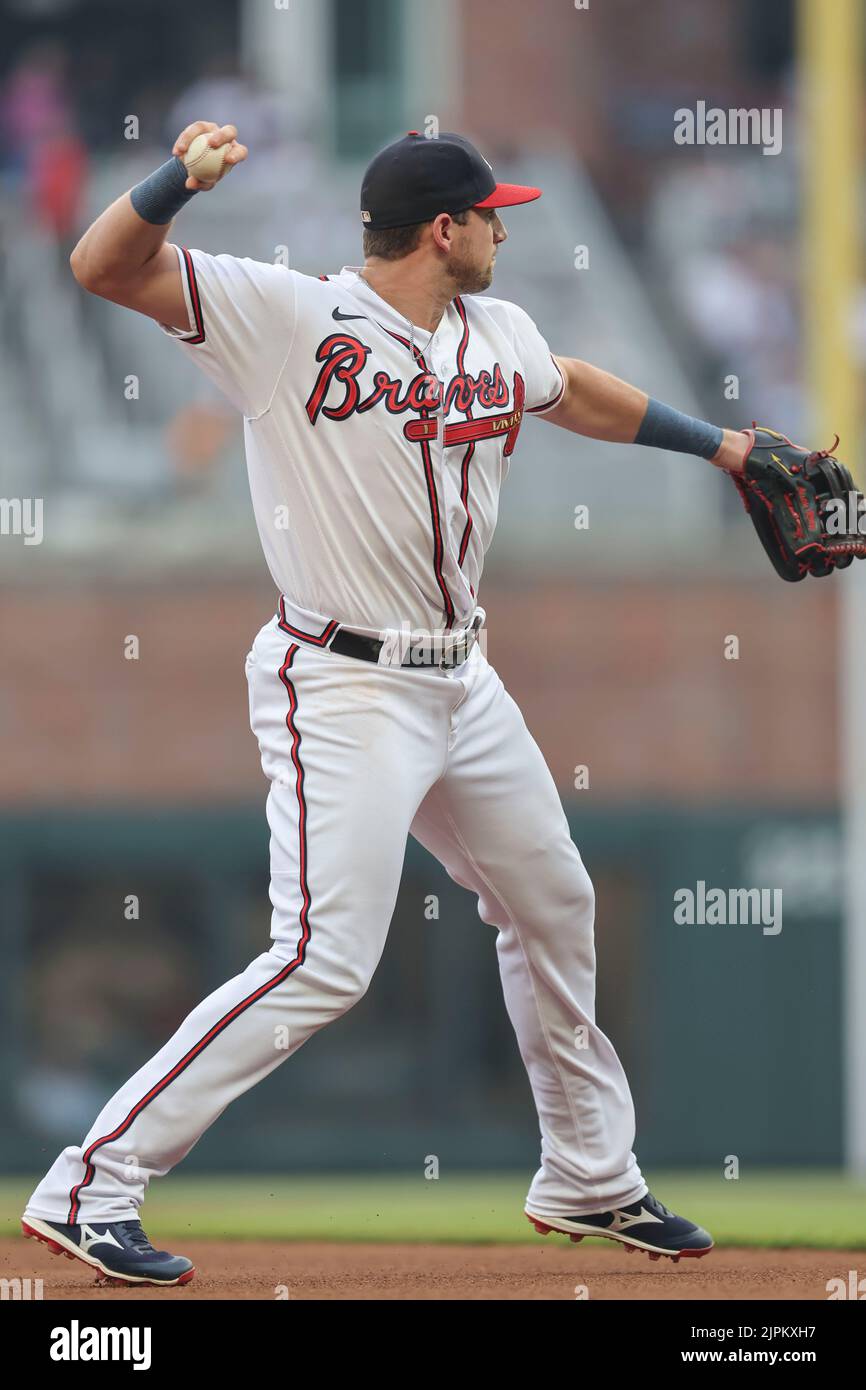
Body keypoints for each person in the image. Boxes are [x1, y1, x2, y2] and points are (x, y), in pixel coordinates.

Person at [22, 125, 750, 1287]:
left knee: (555, 902)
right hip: (342, 679)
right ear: (443, 228)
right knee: (324, 957)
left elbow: (571, 393)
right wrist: (173, 181)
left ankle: (587, 1171)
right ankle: (90, 1182)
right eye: (492, 213)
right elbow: (102, 269)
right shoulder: (288, 317)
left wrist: (721, 447)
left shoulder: (494, 331)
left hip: (462, 676)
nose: (508, 228)